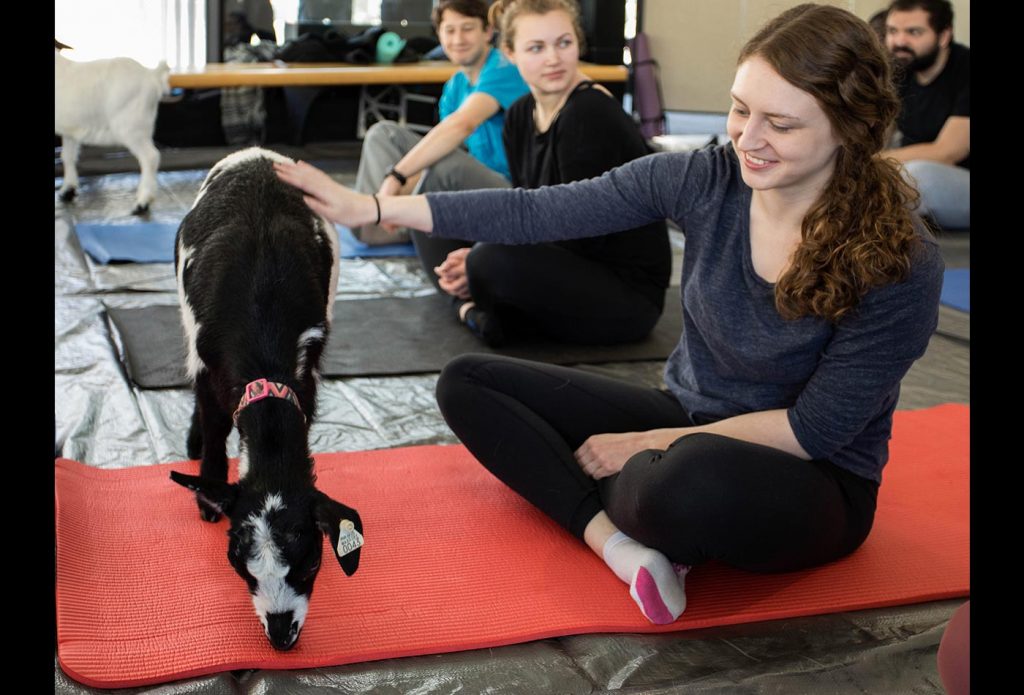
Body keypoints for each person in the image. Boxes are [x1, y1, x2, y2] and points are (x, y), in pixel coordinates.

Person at [275, 3, 944, 625]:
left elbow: (812, 429)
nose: (749, 138)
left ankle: (641, 507)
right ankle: (620, 547)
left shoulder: (900, 257)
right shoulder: (708, 176)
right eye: (740, 110)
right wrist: (373, 208)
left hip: (812, 478)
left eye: (783, 123)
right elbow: (540, 210)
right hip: (689, 417)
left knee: (677, 485)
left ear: (848, 130)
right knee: (468, 381)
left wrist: (653, 444)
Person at [412, 0, 670, 346]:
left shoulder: (590, 112)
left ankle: (474, 308)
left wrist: (476, 257)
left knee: (491, 257)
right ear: (509, 53)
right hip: (559, 265)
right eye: (536, 48)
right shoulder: (520, 114)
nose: (553, 58)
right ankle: (475, 310)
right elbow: (526, 208)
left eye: (564, 43)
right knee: (431, 216)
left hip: (620, 295)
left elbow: (576, 233)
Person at [352, 0, 528, 244]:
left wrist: (396, 178)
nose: (458, 39)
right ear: (439, 35)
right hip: (471, 184)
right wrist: (397, 190)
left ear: (487, 32)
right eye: (450, 30)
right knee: (382, 133)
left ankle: (390, 219)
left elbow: (461, 125)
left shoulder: (503, 67)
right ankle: (376, 219)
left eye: (467, 28)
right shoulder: (455, 86)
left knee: (445, 164)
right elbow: (446, 149)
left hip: (511, 191)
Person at [882, 0, 969, 229]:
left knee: (919, 174)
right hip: (915, 179)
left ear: (943, 36)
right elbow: (878, 136)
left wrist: (871, 162)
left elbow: (946, 152)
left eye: (913, 32)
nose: (900, 41)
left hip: (956, 181)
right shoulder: (900, 72)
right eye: (892, 31)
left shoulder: (965, 70)